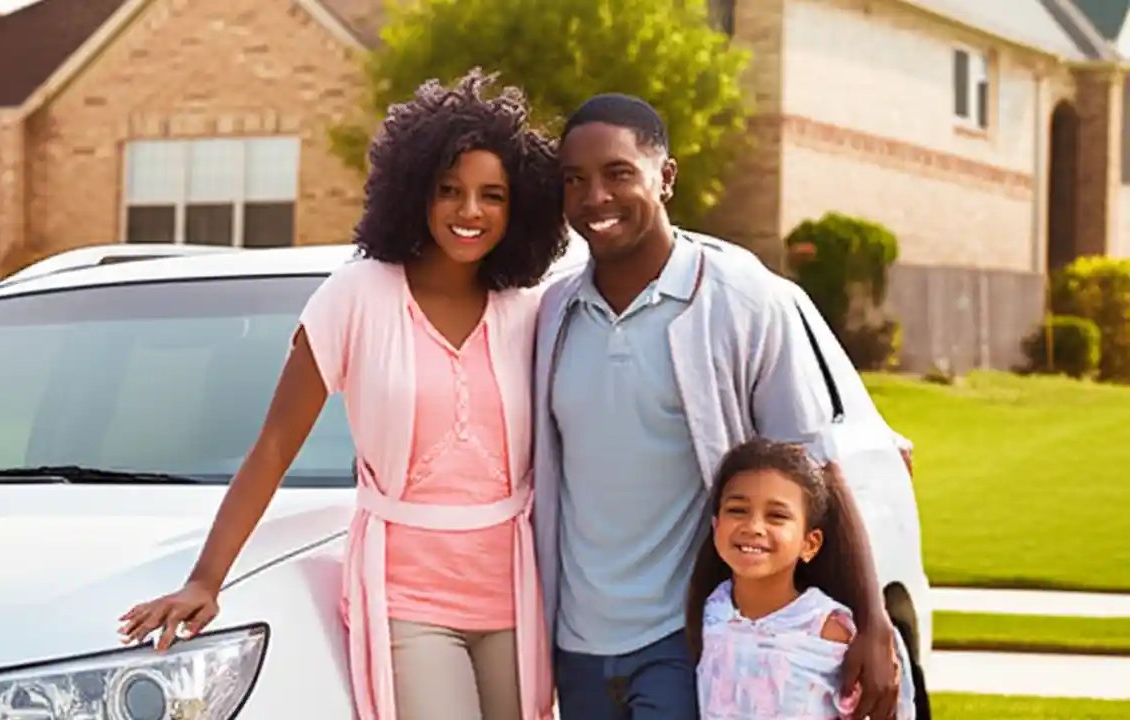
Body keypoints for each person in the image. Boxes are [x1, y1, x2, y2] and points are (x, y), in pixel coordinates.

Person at [118, 69, 568, 720]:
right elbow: (274, 445)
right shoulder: (356, 297)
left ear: (517, 204)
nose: (470, 212)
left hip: (517, 593)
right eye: (449, 191)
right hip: (409, 598)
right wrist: (205, 578)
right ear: (413, 192)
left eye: (491, 195)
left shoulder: (529, 307)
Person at [531, 93, 904, 719]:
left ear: (665, 177)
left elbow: (818, 465)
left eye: (618, 174)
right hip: (577, 645)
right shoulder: (551, 313)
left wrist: (872, 621)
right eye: (575, 181)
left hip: (687, 638)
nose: (595, 197)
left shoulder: (744, 300)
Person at [687, 438, 917, 719]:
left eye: (776, 516)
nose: (754, 527)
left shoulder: (828, 630)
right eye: (737, 510)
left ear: (810, 544)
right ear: (716, 525)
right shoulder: (714, 612)